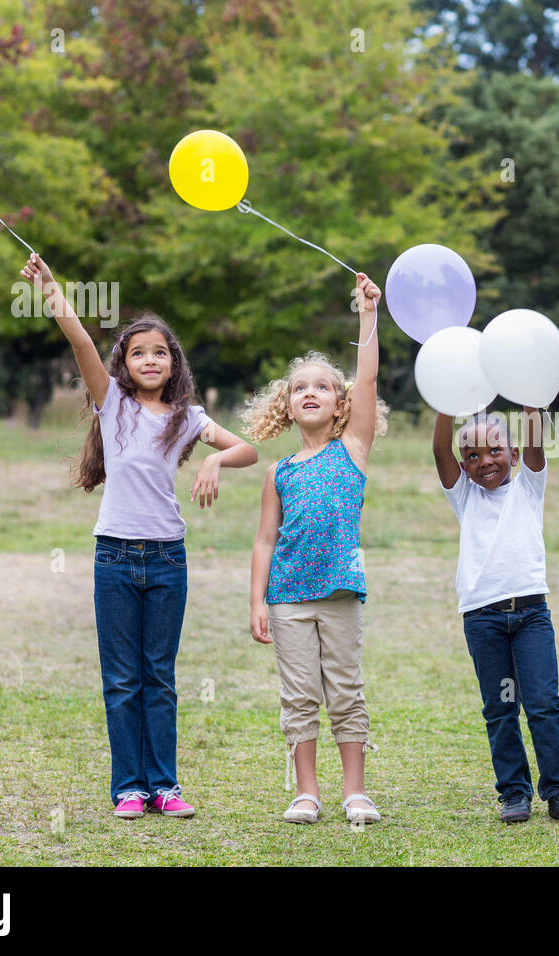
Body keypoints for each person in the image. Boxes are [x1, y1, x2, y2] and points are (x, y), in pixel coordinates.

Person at [19, 253, 258, 820]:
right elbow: (78, 339)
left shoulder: (189, 416)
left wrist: (216, 463)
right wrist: (52, 288)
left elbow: (248, 448)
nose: (151, 359)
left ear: (174, 363)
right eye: (139, 352)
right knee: (123, 679)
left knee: (160, 676)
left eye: (161, 352)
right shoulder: (113, 404)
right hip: (115, 560)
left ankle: (165, 785)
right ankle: (129, 787)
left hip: (168, 561)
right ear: (124, 364)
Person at [245, 273, 389, 826]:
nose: (310, 391)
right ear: (287, 405)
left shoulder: (353, 449)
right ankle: (307, 791)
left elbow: (369, 378)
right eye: (299, 387)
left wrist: (367, 314)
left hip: (340, 592)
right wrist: (257, 602)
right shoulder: (279, 471)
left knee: (346, 692)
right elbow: (264, 541)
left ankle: (355, 790)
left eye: (322, 386)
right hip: (286, 599)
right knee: (300, 695)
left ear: (339, 405)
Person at [433, 407, 559, 826]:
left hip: (530, 617)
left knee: (544, 705)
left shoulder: (529, 484)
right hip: (483, 619)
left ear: (512, 452)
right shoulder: (465, 495)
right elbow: (439, 447)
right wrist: (445, 404)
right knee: (501, 707)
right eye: (470, 456)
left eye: (494, 450)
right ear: (463, 466)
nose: (484, 461)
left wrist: (530, 399)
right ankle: (513, 792)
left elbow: (535, 439)